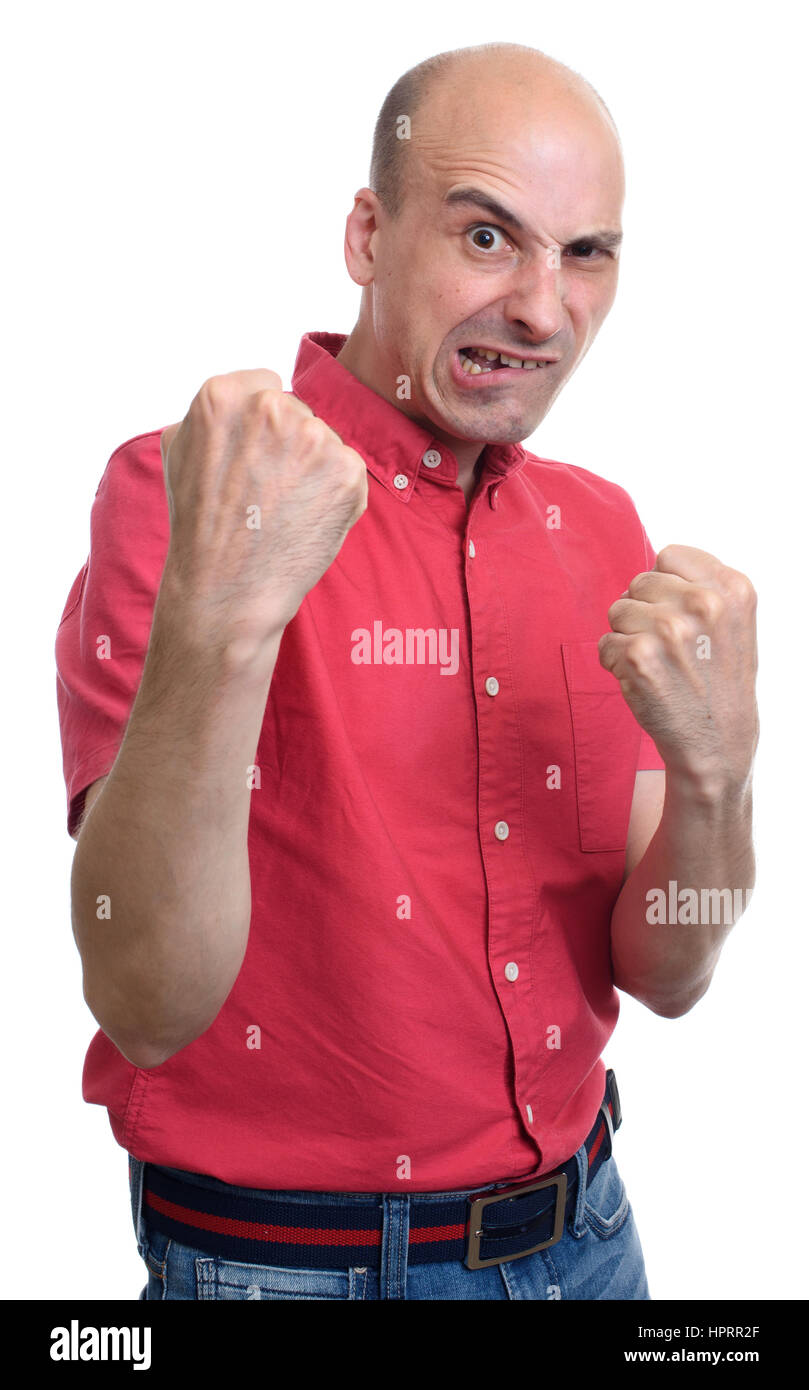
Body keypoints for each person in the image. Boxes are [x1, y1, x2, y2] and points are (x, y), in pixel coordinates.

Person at [55, 41, 758, 1301]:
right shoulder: (190, 494)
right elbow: (143, 997)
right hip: (294, 1274)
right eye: (488, 237)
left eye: (584, 251)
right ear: (367, 233)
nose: (545, 308)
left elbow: (670, 975)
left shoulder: (601, 530)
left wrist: (717, 779)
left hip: (587, 1243)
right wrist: (222, 624)